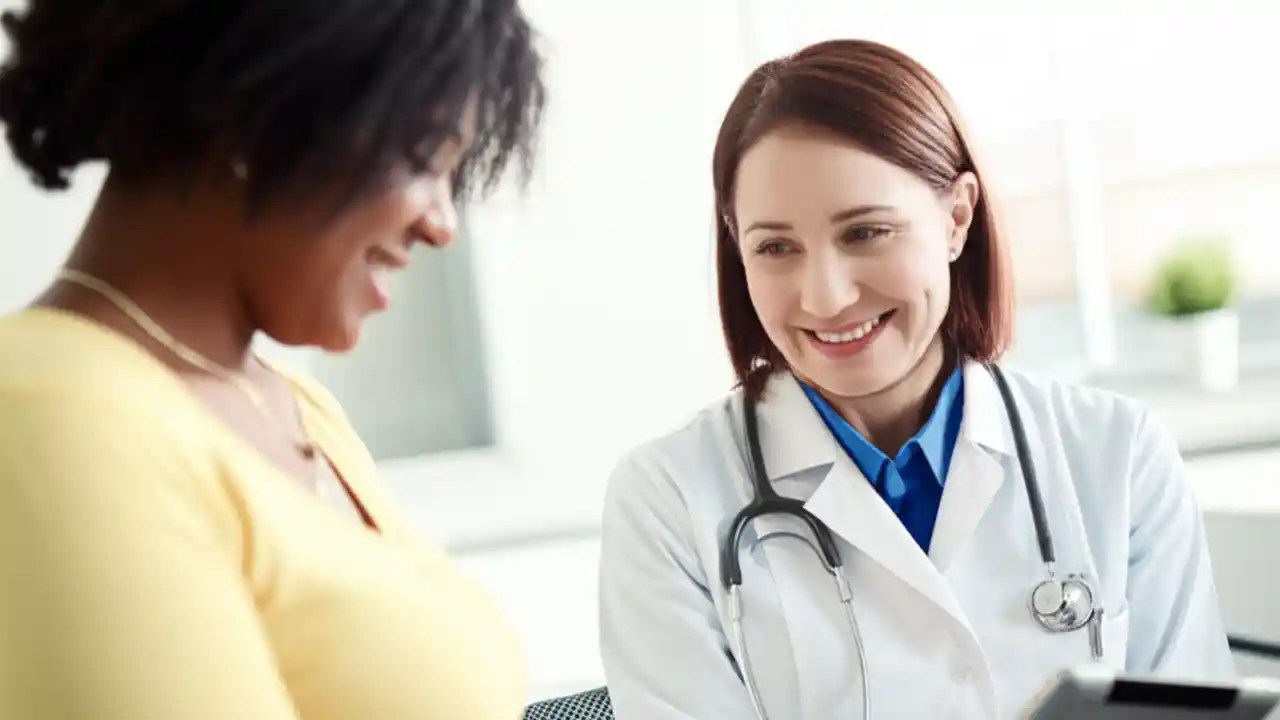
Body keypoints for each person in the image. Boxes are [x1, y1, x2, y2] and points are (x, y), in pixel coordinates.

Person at [598, 39, 1234, 719]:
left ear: (956, 218)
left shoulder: (1116, 452)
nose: (826, 297)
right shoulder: (668, 499)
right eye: (776, 247)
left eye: (865, 233)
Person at [0, 1, 543, 718]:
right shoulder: (55, 415)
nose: (441, 225)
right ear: (259, 109)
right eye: (423, 158)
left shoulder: (300, 409)